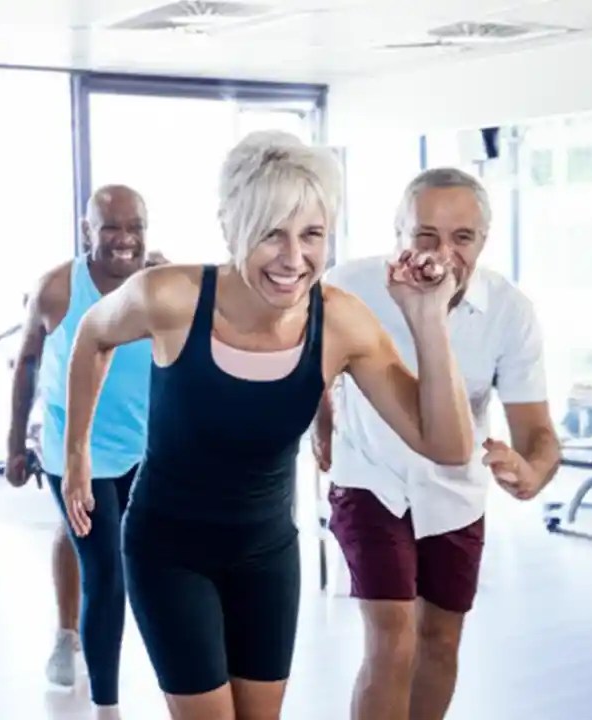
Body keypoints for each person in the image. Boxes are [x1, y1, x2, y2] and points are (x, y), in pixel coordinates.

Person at [61, 130, 477, 720]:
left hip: (266, 555)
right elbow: (92, 336)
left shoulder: (339, 322)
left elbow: (448, 445)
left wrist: (428, 319)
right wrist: (76, 451)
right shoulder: (170, 296)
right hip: (168, 552)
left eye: (311, 235)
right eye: (271, 235)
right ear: (233, 230)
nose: (293, 259)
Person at [315, 167, 560, 720]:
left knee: (440, 641)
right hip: (370, 479)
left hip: (455, 492)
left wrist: (531, 470)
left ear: (484, 240)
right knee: (391, 637)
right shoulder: (348, 286)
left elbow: (539, 434)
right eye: (425, 235)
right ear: (398, 233)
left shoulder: (510, 312)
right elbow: (313, 366)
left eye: (461, 237)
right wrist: (322, 420)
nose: (442, 252)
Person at [5, 185, 154, 712]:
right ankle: (105, 702)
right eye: (111, 226)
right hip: (76, 453)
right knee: (106, 572)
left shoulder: (159, 281)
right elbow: (25, 364)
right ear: (86, 229)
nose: (124, 238)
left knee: (144, 565)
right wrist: (13, 445)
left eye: (135, 226)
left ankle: (80, 639)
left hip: (145, 450)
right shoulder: (56, 288)